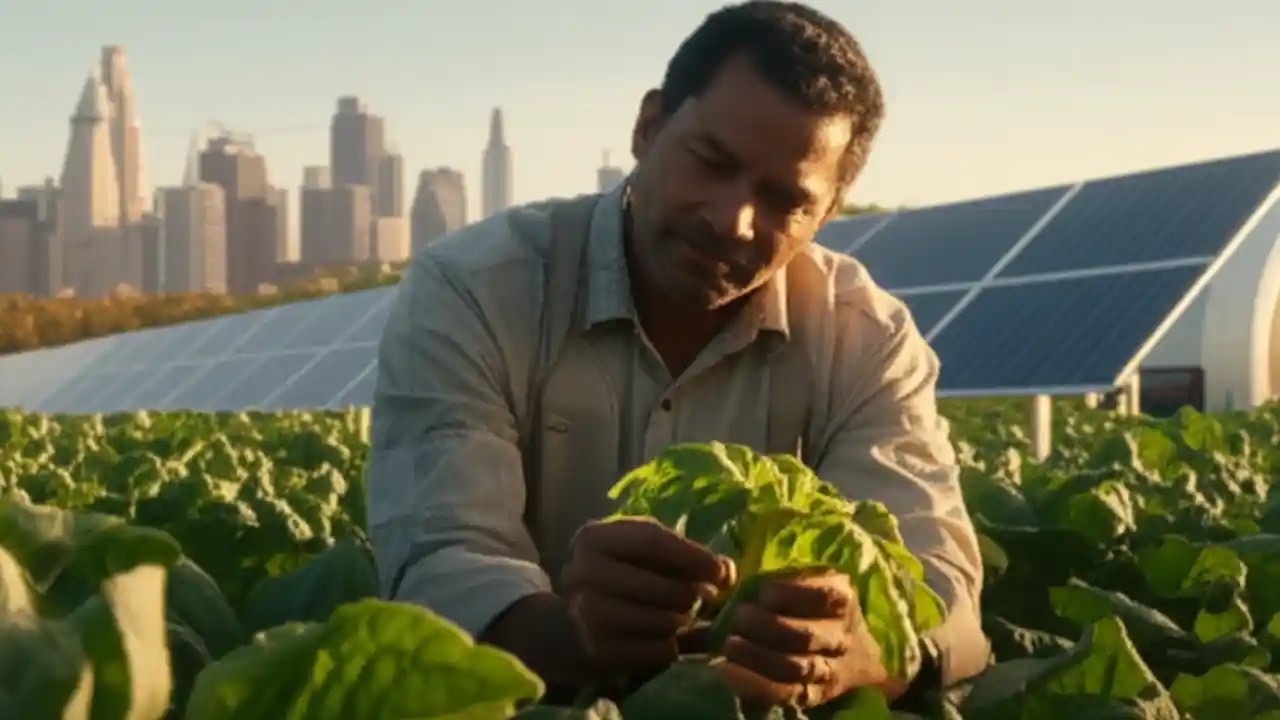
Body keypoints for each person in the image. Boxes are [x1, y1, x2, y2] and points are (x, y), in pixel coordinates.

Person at [367, 0, 989, 711]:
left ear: (828, 213)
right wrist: (563, 632)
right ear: (649, 126)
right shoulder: (477, 288)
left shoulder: (867, 339)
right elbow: (435, 559)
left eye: (784, 198)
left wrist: (852, 652)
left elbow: (943, 596)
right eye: (711, 162)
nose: (732, 219)